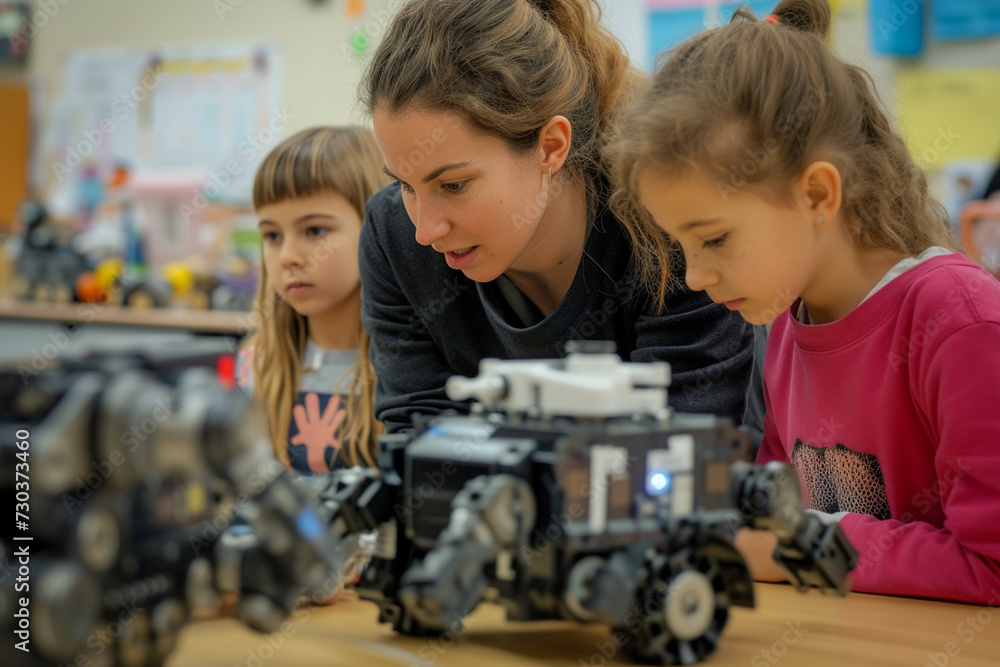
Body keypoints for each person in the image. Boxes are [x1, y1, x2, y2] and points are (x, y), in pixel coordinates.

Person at [613, 0, 1000, 604]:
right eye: (681, 244)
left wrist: (795, 545)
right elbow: (773, 509)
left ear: (817, 193)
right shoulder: (784, 324)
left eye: (714, 237)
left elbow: (991, 564)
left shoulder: (961, 322)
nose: (693, 276)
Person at [357, 0, 756, 436]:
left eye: (453, 185)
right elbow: (422, 457)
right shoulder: (391, 237)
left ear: (551, 146)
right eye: (405, 186)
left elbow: (677, 450)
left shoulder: (668, 224)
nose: (425, 230)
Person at [237, 126, 389, 474]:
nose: (288, 256)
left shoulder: (413, 371)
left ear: (378, 227)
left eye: (315, 230)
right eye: (272, 235)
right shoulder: (253, 367)